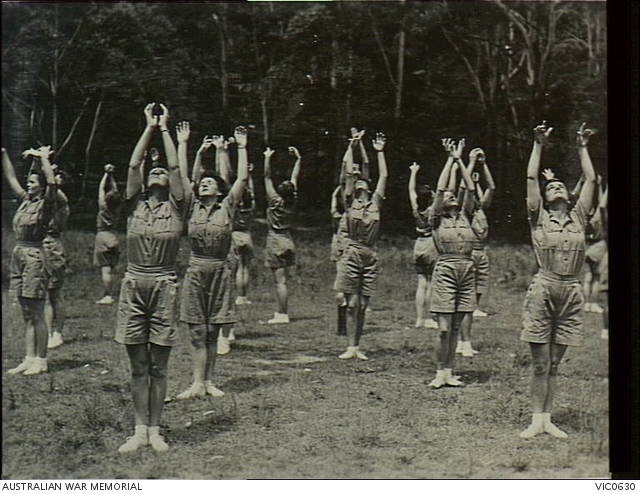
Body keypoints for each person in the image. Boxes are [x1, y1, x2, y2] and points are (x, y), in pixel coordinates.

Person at [519, 121, 597, 439]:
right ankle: (536, 420)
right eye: (551, 187)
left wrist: (582, 146)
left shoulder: (579, 217)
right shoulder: (538, 215)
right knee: (539, 362)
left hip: (572, 291)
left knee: (554, 363)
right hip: (544, 287)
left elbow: (591, 178)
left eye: (559, 186)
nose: (556, 187)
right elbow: (529, 177)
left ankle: (548, 419)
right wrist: (538, 144)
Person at [115, 103, 185, 453]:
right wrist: (147, 126)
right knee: (137, 364)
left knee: (159, 364)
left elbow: (174, 164)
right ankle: (139, 429)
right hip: (133, 284)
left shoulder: (178, 206)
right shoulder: (134, 205)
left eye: (162, 172)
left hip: (164, 286)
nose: (158, 171)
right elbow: (133, 165)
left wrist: (166, 128)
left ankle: (155, 430)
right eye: (152, 170)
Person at [175, 122, 248, 400]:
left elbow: (240, 180)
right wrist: (183, 143)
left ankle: (209, 381)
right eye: (202, 182)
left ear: (219, 190)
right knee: (197, 330)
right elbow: (181, 175)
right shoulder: (191, 205)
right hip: (196, 269)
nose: (204, 183)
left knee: (213, 329)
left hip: (220, 270)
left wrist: (241, 148)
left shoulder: (227, 206)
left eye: (210, 182)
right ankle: (196, 382)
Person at [427, 138, 481, 388]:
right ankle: (440, 372)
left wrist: (462, 161)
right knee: (444, 329)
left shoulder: (466, 216)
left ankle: (450, 371)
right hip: (446, 269)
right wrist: (450, 159)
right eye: (446, 196)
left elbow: (470, 189)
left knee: (457, 326)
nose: (449, 196)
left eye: (452, 195)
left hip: (467, 270)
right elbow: (439, 190)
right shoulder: (436, 218)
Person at [2, 145, 57, 375]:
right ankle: (29, 357)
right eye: (29, 181)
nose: (29, 184)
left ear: (41, 186)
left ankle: (41, 359)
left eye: (33, 182)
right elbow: (10, 176)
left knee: (36, 309)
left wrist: (43, 158)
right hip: (19, 256)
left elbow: (52, 183)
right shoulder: (25, 200)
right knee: (26, 311)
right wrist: (4, 153)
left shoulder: (46, 204)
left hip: (34, 256)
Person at [333, 131, 388, 360]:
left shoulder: (375, 201)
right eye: (357, 181)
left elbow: (384, 175)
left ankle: (358, 345)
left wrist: (379, 152)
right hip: (352, 251)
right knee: (352, 303)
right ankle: (350, 347)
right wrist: (352, 146)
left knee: (363, 305)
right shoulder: (349, 201)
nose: (360, 181)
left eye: (364, 180)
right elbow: (348, 171)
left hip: (370, 253)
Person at [455, 148, 496, 357]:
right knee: (466, 300)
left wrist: (484, 163)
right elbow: (465, 188)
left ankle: (464, 339)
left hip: (482, 253)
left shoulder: (481, 209)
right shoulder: (466, 211)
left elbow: (491, 186)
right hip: (468, 255)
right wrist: (470, 163)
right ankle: (464, 341)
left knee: (475, 296)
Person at [263, 145, 303, 324]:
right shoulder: (292, 201)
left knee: (279, 281)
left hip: (275, 238)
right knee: (284, 281)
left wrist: (267, 158)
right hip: (288, 239)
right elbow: (294, 178)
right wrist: (298, 159)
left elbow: (266, 176)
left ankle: (281, 313)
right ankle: (282, 312)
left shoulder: (274, 201)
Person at [41, 164, 70, 349]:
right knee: (45, 295)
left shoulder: (61, 199)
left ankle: (57, 333)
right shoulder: (49, 198)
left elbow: (50, 186)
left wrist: (46, 167)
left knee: (55, 294)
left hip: (52, 245)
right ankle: (49, 333)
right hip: (42, 244)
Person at [408, 162, 439, 330]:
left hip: (418, 245)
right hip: (431, 244)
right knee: (431, 282)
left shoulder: (416, 208)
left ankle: (419, 319)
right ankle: (429, 317)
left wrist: (413, 173)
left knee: (421, 282)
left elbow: (411, 191)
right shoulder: (432, 210)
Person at [94, 164, 123, 305]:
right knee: (112, 268)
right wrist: (112, 175)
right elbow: (115, 190)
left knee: (105, 270)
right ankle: (111, 293)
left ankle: (108, 294)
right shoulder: (117, 209)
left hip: (102, 237)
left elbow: (101, 189)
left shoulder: (103, 207)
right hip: (114, 237)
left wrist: (106, 174)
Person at [330, 184, 349, 335]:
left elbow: (333, 206)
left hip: (338, 246)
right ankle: (346, 325)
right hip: (350, 249)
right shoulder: (351, 216)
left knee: (341, 284)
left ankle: (341, 326)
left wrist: (337, 190)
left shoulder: (337, 216)